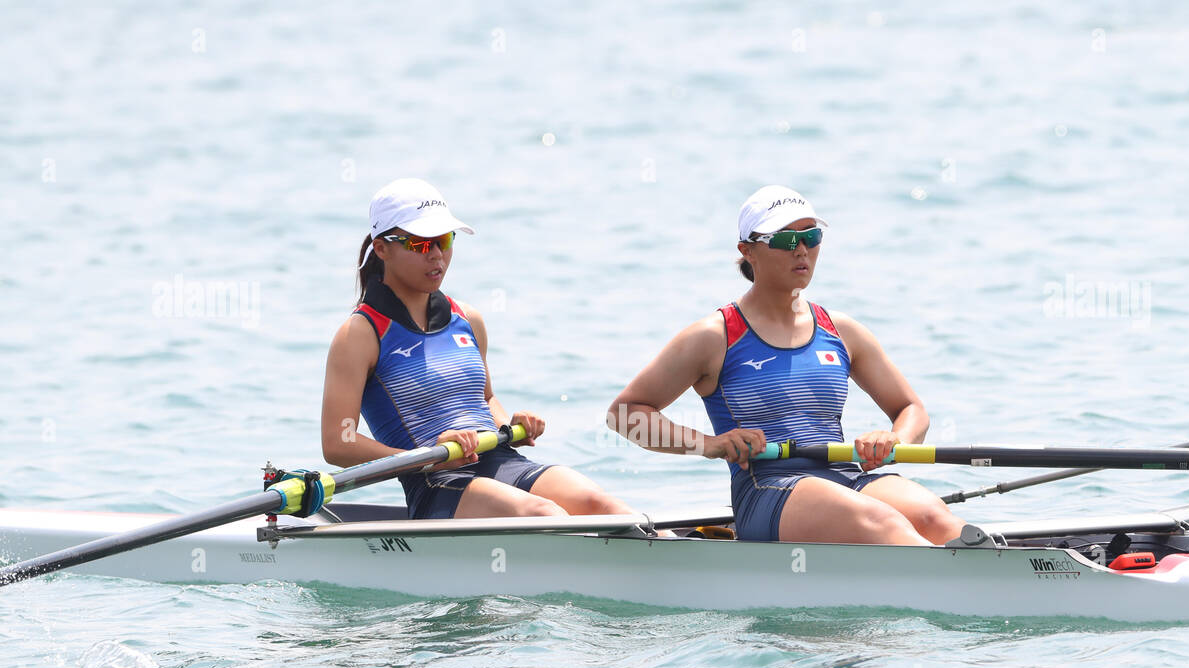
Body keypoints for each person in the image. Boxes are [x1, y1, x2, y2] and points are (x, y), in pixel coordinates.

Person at [608, 185, 965, 545]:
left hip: (847, 476)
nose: (802, 250)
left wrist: (893, 441)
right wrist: (711, 444)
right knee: (883, 522)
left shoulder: (841, 331)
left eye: (811, 236)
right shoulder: (714, 336)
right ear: (747, 251)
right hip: (769, 488)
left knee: (934, 517)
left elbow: (911, 409)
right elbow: (624, 415)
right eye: (785, 239)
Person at [322, 178, 632, 520]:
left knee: (606, 508)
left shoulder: (468, 319)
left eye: (444, 241)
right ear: (382, 249)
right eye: (422, 245)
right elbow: (338, 444)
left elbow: (485, 400)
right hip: (435, 480)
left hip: (502, 462)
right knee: (544, 513)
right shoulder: (359, 335)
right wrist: (429, 455)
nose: (437, 256)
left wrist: (509, 425)